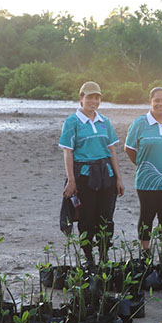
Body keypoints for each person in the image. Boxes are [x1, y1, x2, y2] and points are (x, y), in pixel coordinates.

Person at [59, 81, 125, 266]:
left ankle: (104, 257)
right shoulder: (73, 122)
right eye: (89, 97)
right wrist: (71, 180)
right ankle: (89, 259)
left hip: (106, 175)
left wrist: (118, 178)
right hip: (85, 176)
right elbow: (68, 152)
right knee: (86, 218)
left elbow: (111, 150)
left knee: (106, 218)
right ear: (81, 99)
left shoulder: (105, 121)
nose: (93, 101)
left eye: (97, 98)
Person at [124, 86, 162, 254]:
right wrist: (144, 165)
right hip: (146, 179)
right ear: (150, 102)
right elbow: (129, 149)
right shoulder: (139, 123)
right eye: (156, 100)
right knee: (147, 215)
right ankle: (145, 252)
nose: (160, 104)